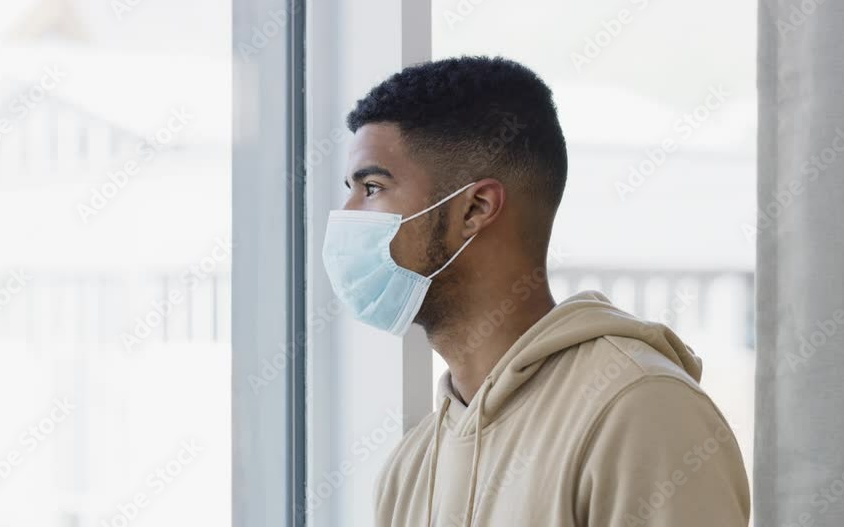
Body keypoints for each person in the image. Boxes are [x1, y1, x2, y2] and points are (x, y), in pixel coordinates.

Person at [321, 56, 750, 527]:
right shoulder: (413, 466)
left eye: (373, 187)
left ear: (476, 208)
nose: (347, 213)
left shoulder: (639, 411)